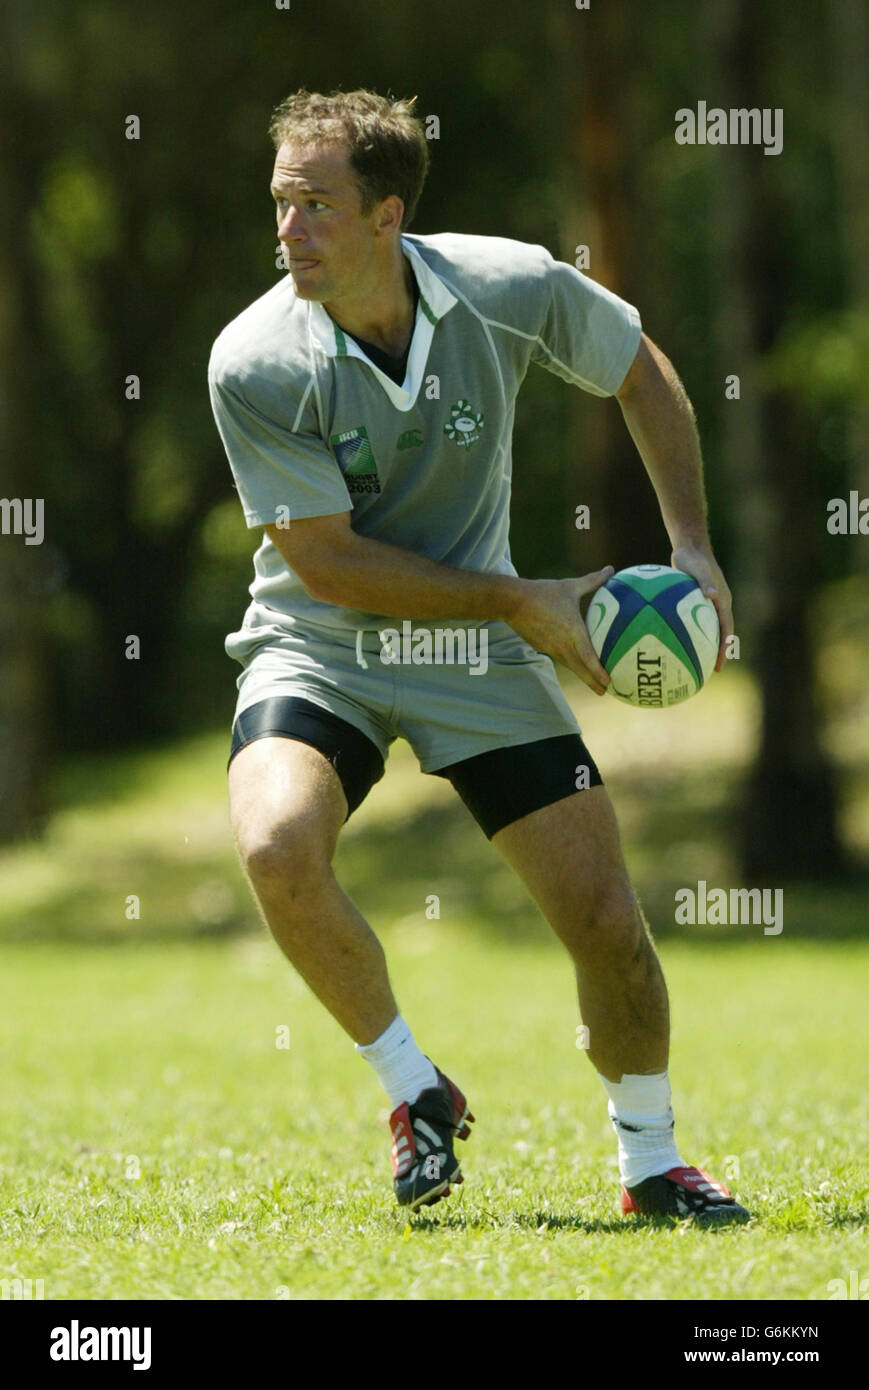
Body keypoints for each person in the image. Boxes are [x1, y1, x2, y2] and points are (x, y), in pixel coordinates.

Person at [208, 88, 749, 1225]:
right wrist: (527, 599)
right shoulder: (255, 359)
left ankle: (651, 1162)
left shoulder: (506, 288)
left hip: (477, 649)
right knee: (273, 845)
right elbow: (331, 565)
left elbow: (637, 367)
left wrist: (692, 548)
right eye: (279, 205)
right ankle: (414, 1090)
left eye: (315, 206)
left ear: (387, 215)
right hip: (322, 644)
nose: (287, 232)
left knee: (603, 919)